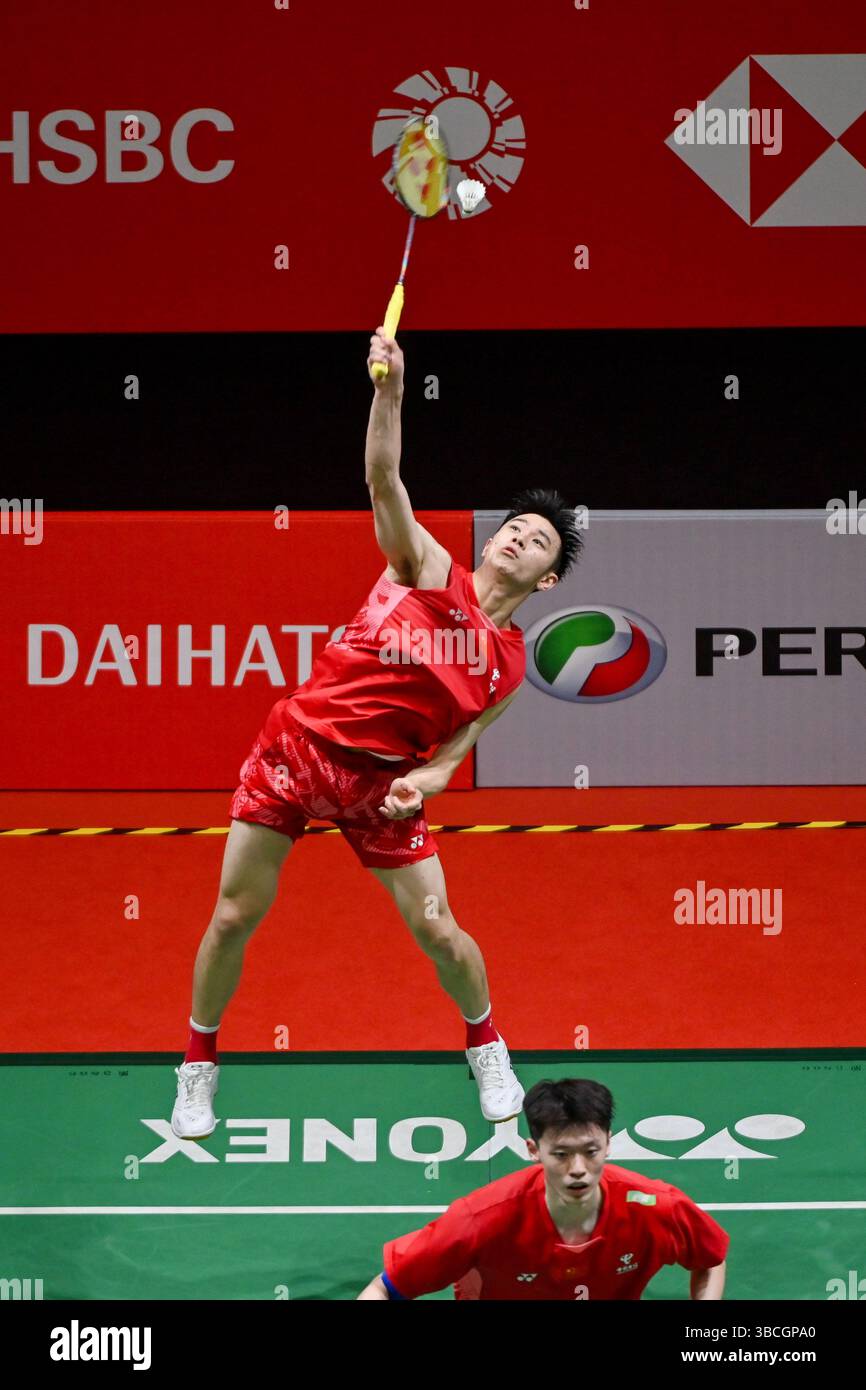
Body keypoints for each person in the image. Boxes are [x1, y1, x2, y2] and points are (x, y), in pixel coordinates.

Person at [170, 328, 583, 1141]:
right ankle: (197, 1065)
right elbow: (382, 476)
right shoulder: (424, 567)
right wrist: (389, 392)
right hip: (294, 753)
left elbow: (453, 758)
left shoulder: (508, 665)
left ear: (549, 578)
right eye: (511, 528)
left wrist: (416, 784)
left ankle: (486, 1043)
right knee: (232, 916)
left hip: (377, 789)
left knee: (438, 928)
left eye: (536, 541)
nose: (516, 538)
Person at [357, 1078, 729, 1300]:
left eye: (590, 1151)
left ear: (609, 1144)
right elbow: (386, 1287)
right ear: (534, 1151)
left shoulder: (654, 1207)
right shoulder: (482, 1219)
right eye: (562, 1154)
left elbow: (710, 1261)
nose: (578, 1170)